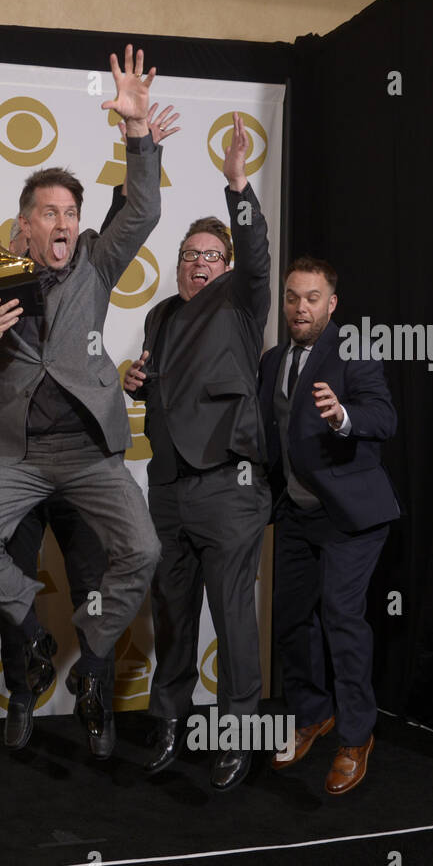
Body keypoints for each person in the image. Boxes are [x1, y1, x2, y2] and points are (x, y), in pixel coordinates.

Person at [0, 46, 166, 760]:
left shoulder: (97, 263)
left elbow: (146, 208)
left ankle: (93, 669)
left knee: (142, 550)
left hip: (90, 452)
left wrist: (136, 133)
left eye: (71, 212)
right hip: (19, 457)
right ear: (24, 225)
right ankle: (35, 641)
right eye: (50, 212)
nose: (64, 222)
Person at [122, 111, 271, 790]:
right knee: (172, 613)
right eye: (190, 256)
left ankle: (239, 735)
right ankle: (170, 723)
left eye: (211, 255)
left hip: (230, 485)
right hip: (169, 488)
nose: (198, 265)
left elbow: (256, 251)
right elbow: (162, 384)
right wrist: (135, 382)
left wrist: (237, 186)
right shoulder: (159, 314)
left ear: (227, 266)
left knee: (233, 617)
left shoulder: (242, 299)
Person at [259, 257, 399, 794]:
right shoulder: (273, 360)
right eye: (293, 297)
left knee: (341, 617)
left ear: (331, 304)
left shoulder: (354, 351)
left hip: (352, 516)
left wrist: (343, 417)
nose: (300, 307)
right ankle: (313, 713)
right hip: (297, 513)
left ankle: (356, 735)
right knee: (292, 619)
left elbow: (384, 418)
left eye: (312, 298)